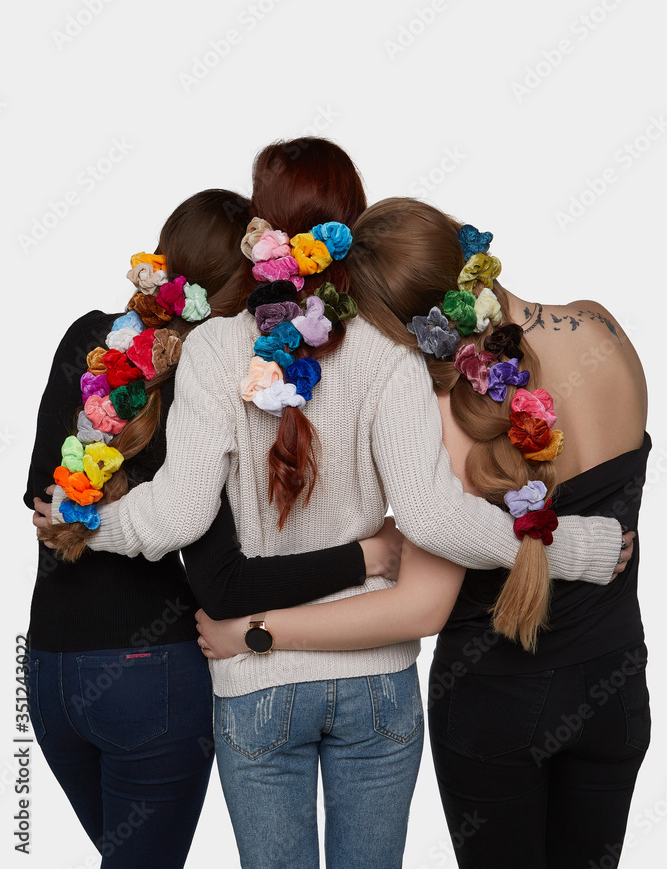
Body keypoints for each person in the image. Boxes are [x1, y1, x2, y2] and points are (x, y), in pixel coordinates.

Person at [42, 140, 628, 869]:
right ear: (351, 227)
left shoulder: (217, 348)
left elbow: (177, 518)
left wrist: (87, 523)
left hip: (258, 689)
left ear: (261, 231)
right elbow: (434, 516)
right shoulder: (391, 352)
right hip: (375, 685)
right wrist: (570, 545)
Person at [195, 197, 648, 869]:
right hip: (615, 687)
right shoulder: (600, 327)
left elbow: (420, 607)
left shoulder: (451, 410)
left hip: (497, 703)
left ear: (415, 325)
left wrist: (254, 633)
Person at [27, 185, 401, 869]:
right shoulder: (203, 376)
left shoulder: (88, 336)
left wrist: (82, 515)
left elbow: (41, 502)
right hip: (153, 678)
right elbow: (226, 585)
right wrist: (367, 555)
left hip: (50, 676)